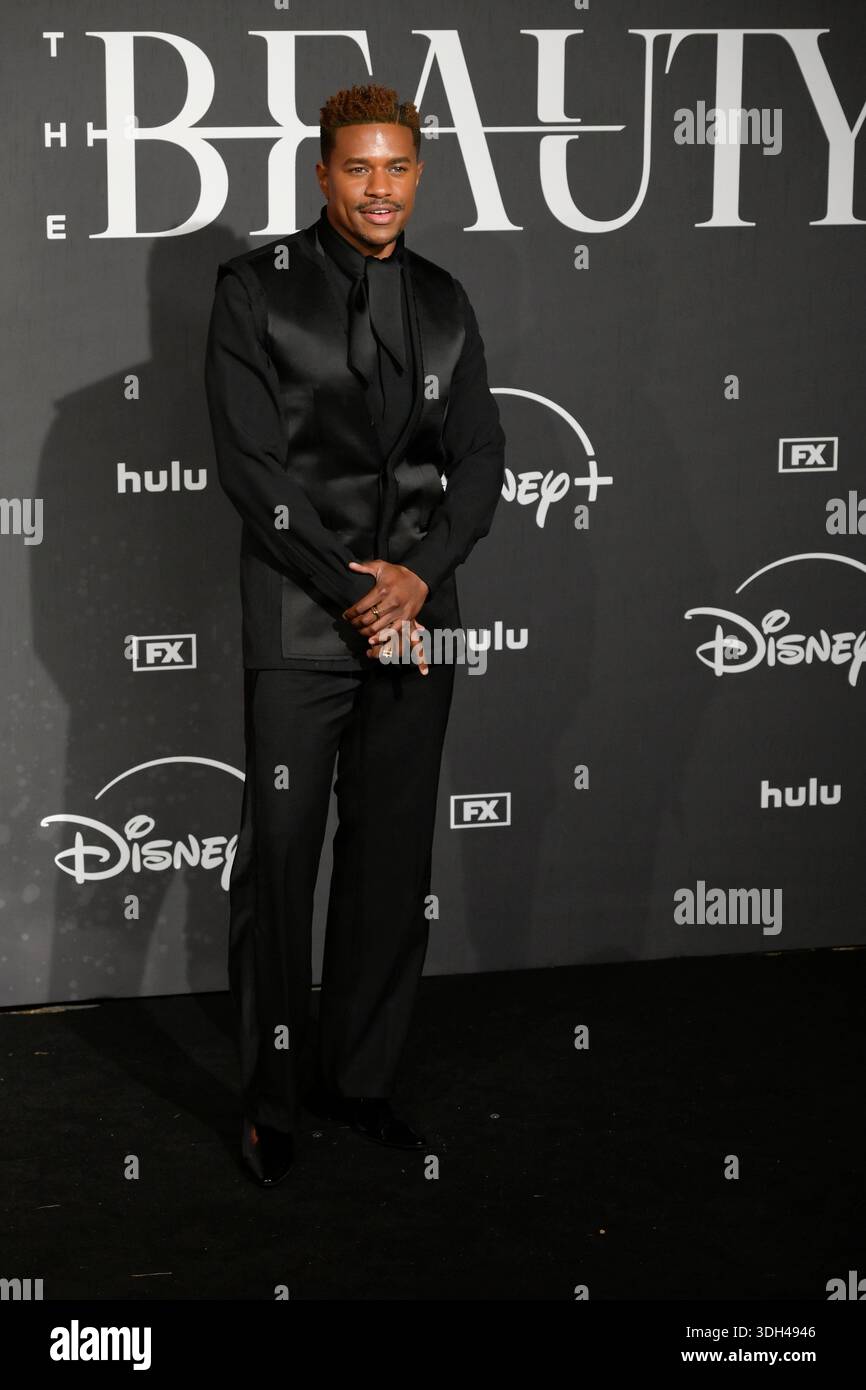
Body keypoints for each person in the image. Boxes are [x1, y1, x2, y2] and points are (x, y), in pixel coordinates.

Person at [204, 81, 505, 1186]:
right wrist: (352, 585)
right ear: (322, 175)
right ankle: (270, 1103)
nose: (380, 188)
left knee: (388, 866)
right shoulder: (252, 290)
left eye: (398, 168)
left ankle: (361, 1083)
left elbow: (480, 459)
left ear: (416, 174)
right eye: (358, 169)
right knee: (279, 869)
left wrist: (416, 580)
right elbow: (252, 468)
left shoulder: (443, 298)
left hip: (417, 628)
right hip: (300, 620)